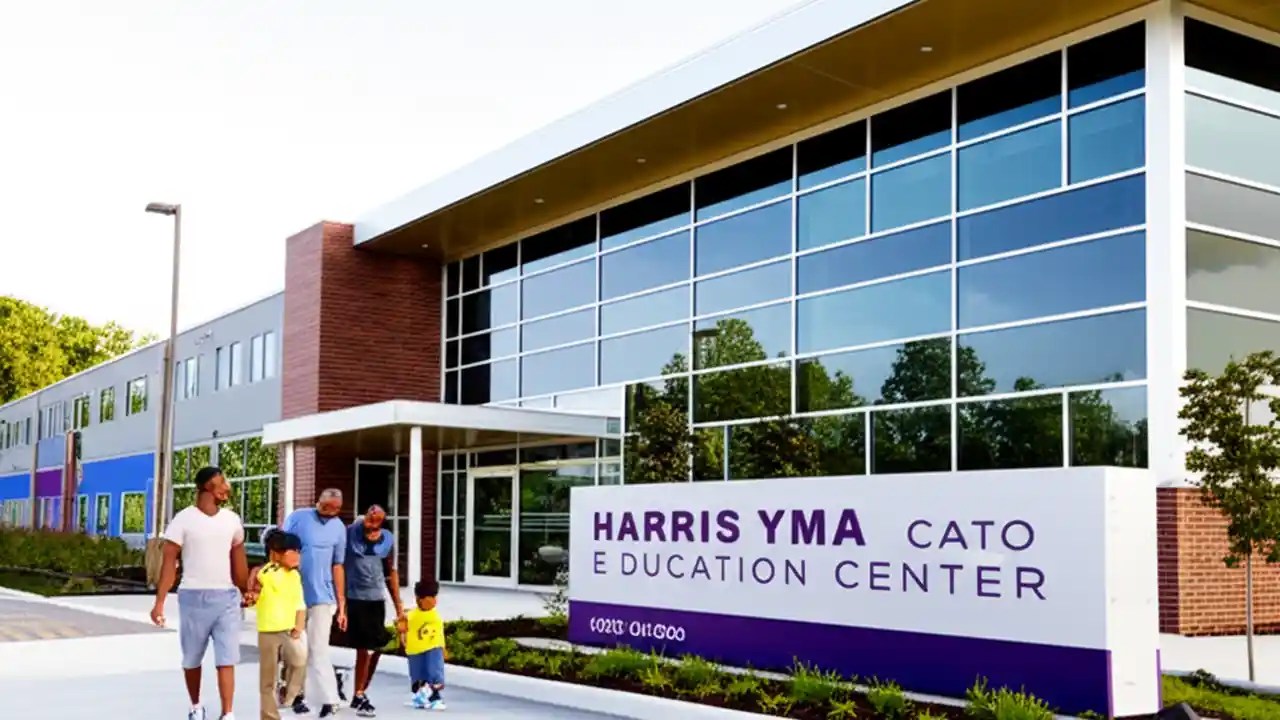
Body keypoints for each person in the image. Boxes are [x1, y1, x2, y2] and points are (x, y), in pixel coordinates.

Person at [151, 466, 250, 720]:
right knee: (192, 658)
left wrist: (246, 591)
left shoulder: (232, 521)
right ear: (207, 487)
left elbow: (239, 562)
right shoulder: (183, 520)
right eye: (222, 482)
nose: (227, 487)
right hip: (193, 598)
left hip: (226, 598)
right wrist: (159, 602)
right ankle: (196, 706)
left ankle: (228, 713)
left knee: (226, 658)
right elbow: (169, 563)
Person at [282, 488, 348, 718]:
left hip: (323, 597)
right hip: (295, 595)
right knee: (296, 649)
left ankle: (331, 700)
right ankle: (297, 696)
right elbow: (280, 551)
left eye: (335, 509)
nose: (329, 512)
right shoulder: (298, 518)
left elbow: (338, 565)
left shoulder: (339, 528)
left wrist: (342, 604)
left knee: (318, 649)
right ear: (317, 501)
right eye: (326, 507)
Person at [341, 507, 404, 717]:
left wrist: (399, 607)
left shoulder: (386, 541)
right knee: (363, 648)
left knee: (376, 647)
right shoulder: (351, 534)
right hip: (354, 598)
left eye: (378, 517)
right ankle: (358, 693)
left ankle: (359, 689)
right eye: (370, 514)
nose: (373, 517)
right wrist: (341, 603)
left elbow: (391, 573)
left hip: (376, 599)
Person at [254, 531, 308, 720]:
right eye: (292, 551)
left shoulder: (294, 576)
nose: (297, 556)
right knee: (267, 678)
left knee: (299, 660)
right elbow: (256, 591)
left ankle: (289, 695)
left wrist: (299, 624)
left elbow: (300, 601)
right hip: (268, 630)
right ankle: (269, 716)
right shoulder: (265, 573)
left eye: (299, 551)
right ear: (276, 553)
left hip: (289, 628)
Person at [399, 579, 447, 711]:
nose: (434, 600)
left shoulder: (435, 615)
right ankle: (419, 696)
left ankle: (435, 697)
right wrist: (402, 636)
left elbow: (439, 633)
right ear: (419, 599)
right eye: (430, 597)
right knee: (417, 674)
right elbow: (403, 629)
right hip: (415, 650)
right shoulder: (411, 615)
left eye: (435, 597)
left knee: (434, 672)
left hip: (433, 648)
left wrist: (443, 648)